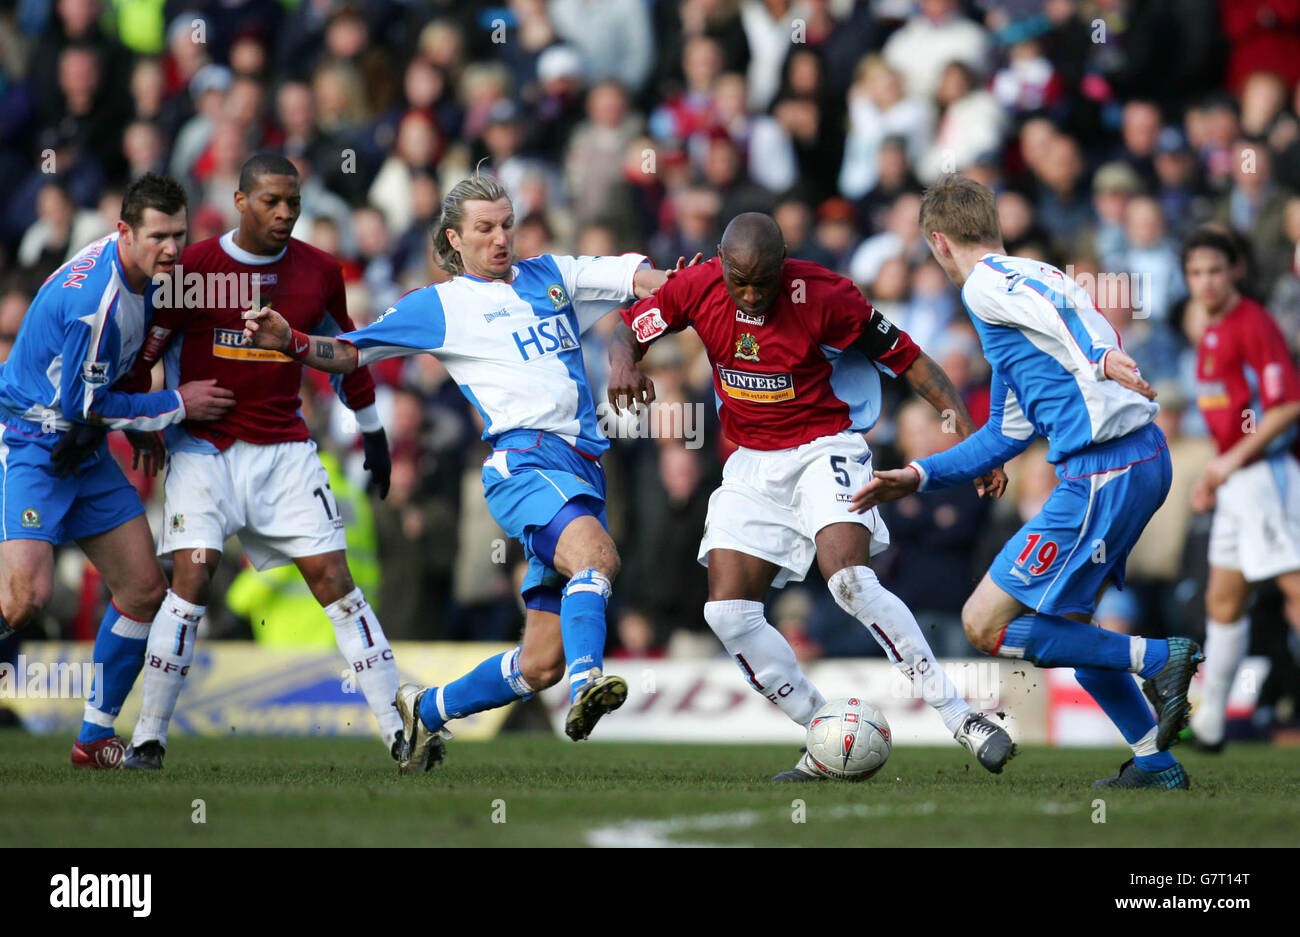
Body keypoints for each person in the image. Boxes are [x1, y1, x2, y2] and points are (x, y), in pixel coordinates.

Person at [242, 172, 675, 773]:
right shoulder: (441, 306)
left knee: (538, 662)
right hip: (524, 462)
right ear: (455, 238)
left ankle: (429, 709)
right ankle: (587, 684)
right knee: (596, 557)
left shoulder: (552, 275)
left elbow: (640, 279)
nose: (501, 239)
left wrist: (698, 286)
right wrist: (291, 341)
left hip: (581, 466)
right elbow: (350, 350)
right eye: (485, 229)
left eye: (506, 225)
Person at [607, 211, 1017, 783]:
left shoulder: (826, 295)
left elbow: (910, 360)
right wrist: (625, 362)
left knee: (848, 580)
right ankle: (826, 733)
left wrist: (972, 438)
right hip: (751, 462)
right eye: (740, 281)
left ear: (783, 266)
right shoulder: (695, 287)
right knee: (726, 613)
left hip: (826, 446)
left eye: (763, 282)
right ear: (721, 266)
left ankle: (961, 717)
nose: (751, 296)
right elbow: (627, 327)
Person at [856, 174, 1204, 790]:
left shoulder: (991, 284)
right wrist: (917, 475)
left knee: (985, 623)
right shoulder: (1021, 290)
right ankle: (1155, 761)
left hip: (1106, 469)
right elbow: (1005, 435)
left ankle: (1159, 657)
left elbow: (1060, 312)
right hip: (1132, 462)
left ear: (938, 242)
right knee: (1069, 623)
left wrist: (1099, 355)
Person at [89, 154, 402, 772]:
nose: (284, 213)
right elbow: (143, 350)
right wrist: (152, 419)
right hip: (203, 449)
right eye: (270, 202)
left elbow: (349, 352)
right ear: (239, 201)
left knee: (335, 583)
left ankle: (400, 730)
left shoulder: (319, 270)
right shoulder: (195, 267)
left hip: (285, 451)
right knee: (194, 576)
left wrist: (374, 433)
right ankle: (149, 737)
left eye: (293, 202)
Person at [0, 173, 236, 768]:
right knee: (24, 600)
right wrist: (176, 405)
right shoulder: (95, 303)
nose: (171, 250)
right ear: (124, 231)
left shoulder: (147, 278)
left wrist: (142, 425)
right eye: (158, 236)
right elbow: (87, 405)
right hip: (33, 441)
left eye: (179, 236)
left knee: (142, 589)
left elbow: (115, 379)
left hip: (81, 447)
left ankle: (94, 738)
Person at [1181, 226, 1300, 752]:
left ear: (1235, 271)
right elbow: (1230, 418)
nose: (1205, 282)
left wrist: (1229, 462)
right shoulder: (1211, 330)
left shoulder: (1254, 323)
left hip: (1266, 476)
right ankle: (1209, 726)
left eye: (1214, 271)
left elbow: (1288, 405)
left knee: (1296, 591)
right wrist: (1214, 474)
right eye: (1195, 273)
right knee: (1224, 604)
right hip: (1235, 482)